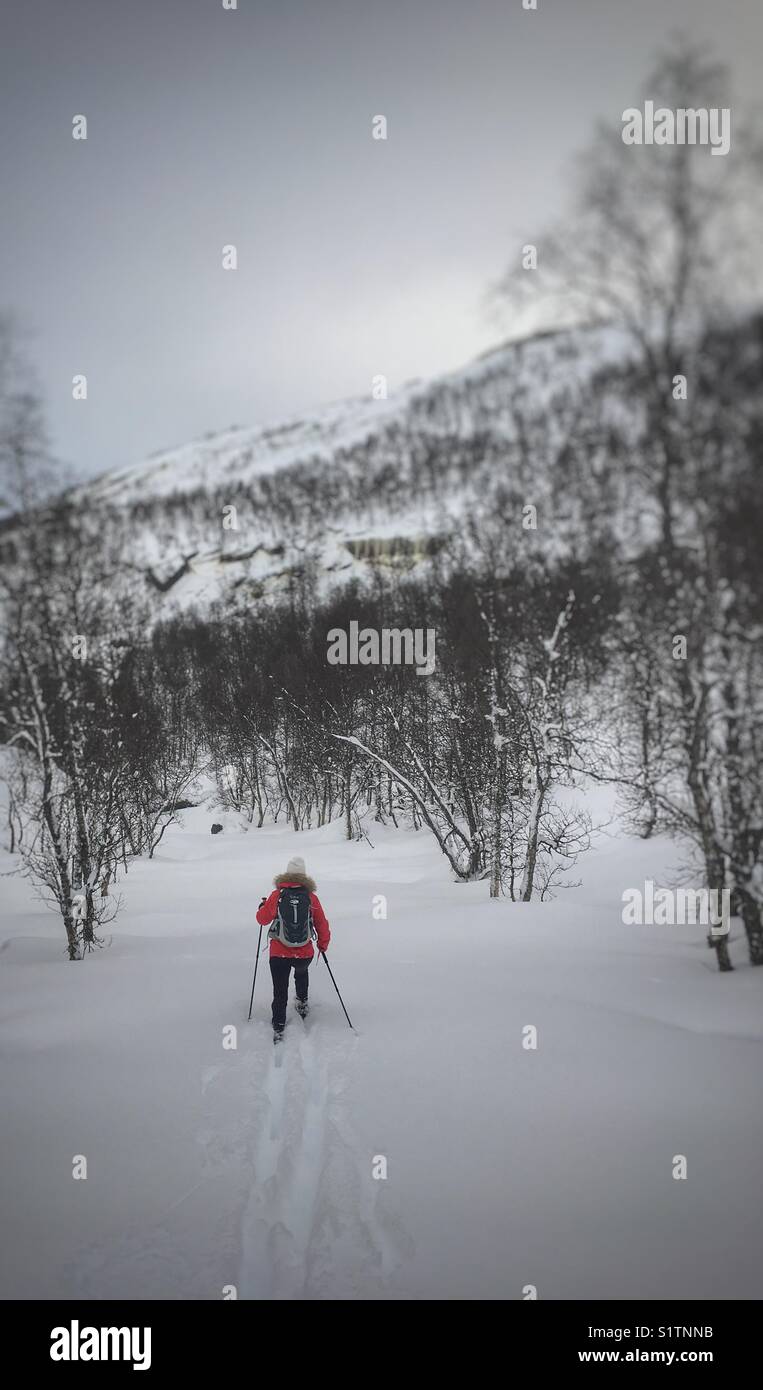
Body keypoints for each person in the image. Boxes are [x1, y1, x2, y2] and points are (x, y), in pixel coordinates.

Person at [256, 856, 330, 1040]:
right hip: (304, 953)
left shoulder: (277, 896)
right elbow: (322, 924)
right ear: (304, 876)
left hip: (279, 953)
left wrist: (262, 907)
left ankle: (278, 1023)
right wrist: (322, 945)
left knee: (280, 988)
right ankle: (302, 1003)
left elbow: (262, 919)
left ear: (287, 874)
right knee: (301, 973)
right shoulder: (311, 898)